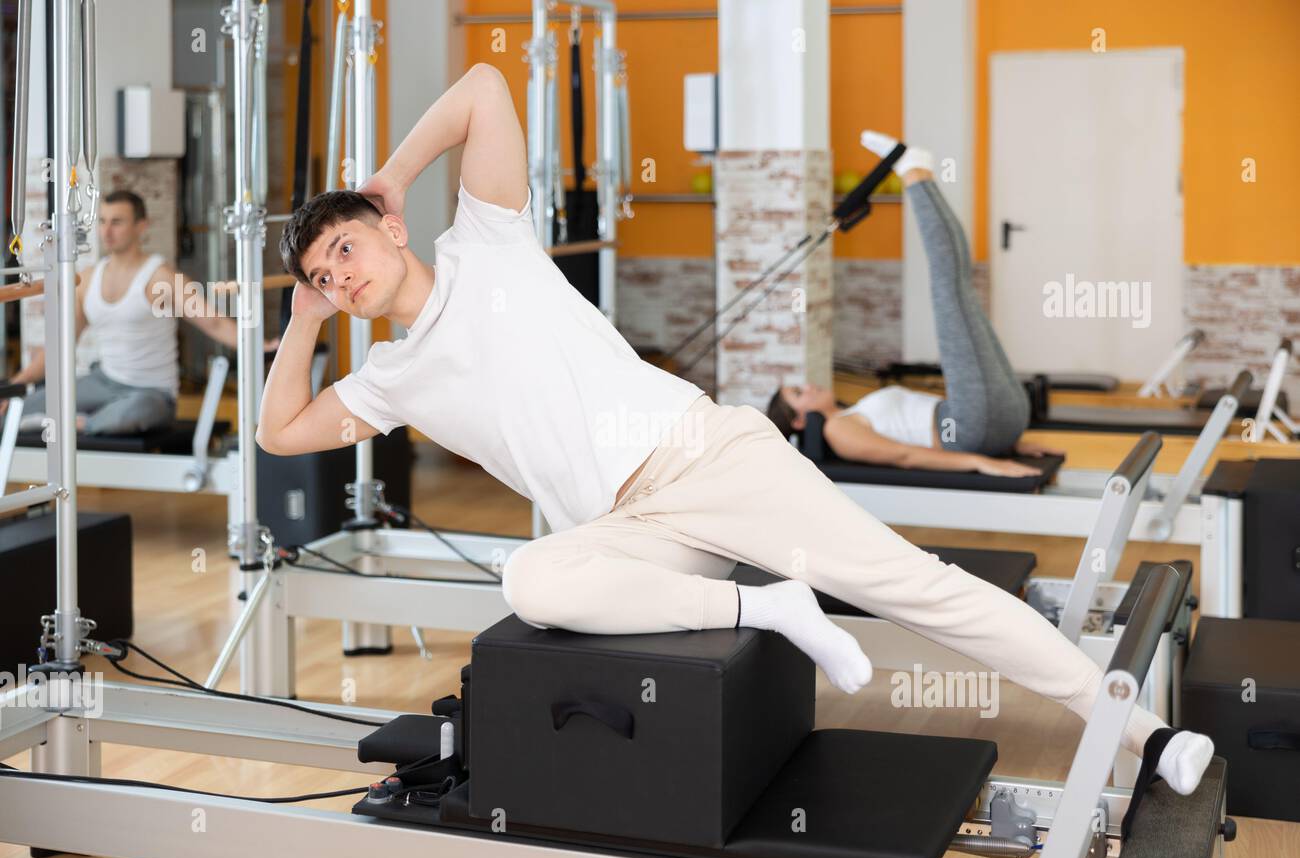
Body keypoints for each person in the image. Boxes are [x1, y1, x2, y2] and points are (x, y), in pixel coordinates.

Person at [259, 63, 1214, 796]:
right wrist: (303, 320)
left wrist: (389, 173)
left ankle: (1150, 737)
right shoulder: (386, 378)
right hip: (635, 529)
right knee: (532, 577)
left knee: (922, 589)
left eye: (345, 248)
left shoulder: (487, 238)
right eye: (323, 276)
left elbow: (484, 84)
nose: (339, 275)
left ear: (391, 230)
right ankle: (770, 610)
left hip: (708, 458)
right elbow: (280, 433)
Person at [767, 132, 1060, 476]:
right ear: (799, 420)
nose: (810, 385)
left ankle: (918, 172)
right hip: (973, 425)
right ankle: (915, 172)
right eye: (800, 393)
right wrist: (981, 460)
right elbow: (907, 457)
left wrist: (1007, 445)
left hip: (987, 424)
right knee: (950, 286)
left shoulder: (851, 414)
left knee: (956, 284)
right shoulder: (838, 431)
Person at [2, 190, 277, 435]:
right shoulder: (86, 279)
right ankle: (77, 420)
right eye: (103, 221)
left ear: (141, 226)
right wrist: (12, 388)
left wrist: (260, 346)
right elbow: (59, 346)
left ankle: (85, 424)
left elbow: (214, 323)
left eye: (117, 222)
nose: (107, 230)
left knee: (134, 412)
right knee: (15, 410)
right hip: (103, 382)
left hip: (151, 392)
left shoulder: (161, 278)